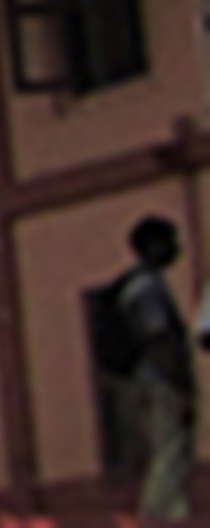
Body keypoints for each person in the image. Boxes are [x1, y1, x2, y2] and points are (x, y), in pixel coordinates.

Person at [104, 214, 199, 515]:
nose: (177, 249)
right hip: (157, 379)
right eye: (170, 242)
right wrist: (180, 384)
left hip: (141, 380)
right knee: (170, 448)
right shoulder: (146, 287)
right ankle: (162, 513)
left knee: (164, 448)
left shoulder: (136, 286)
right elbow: (158, 338)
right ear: (152, 246)